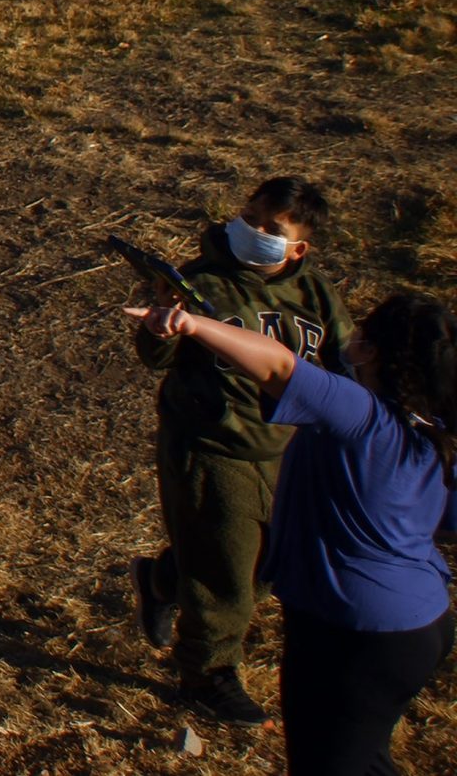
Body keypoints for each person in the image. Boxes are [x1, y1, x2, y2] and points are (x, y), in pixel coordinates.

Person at [125, 292, 457, 773]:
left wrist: (192, 325)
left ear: (368, 349)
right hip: (420, 625)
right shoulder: (437, 430)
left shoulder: (364, 417)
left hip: (350, 629)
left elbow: (279, 366)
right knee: (361, 755)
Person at [127, 176, 352, 724]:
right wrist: (161, 329)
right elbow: (157, 360)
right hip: (212, 443)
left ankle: (163, 578)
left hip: (286, 447)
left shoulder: (314, 293)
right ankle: (207, 673)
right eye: (249, 217)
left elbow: (344, 360)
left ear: (297, 248)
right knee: (227, 575)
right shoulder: (204, 282)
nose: (251, 230)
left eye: (270, 228)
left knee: (265, 561)